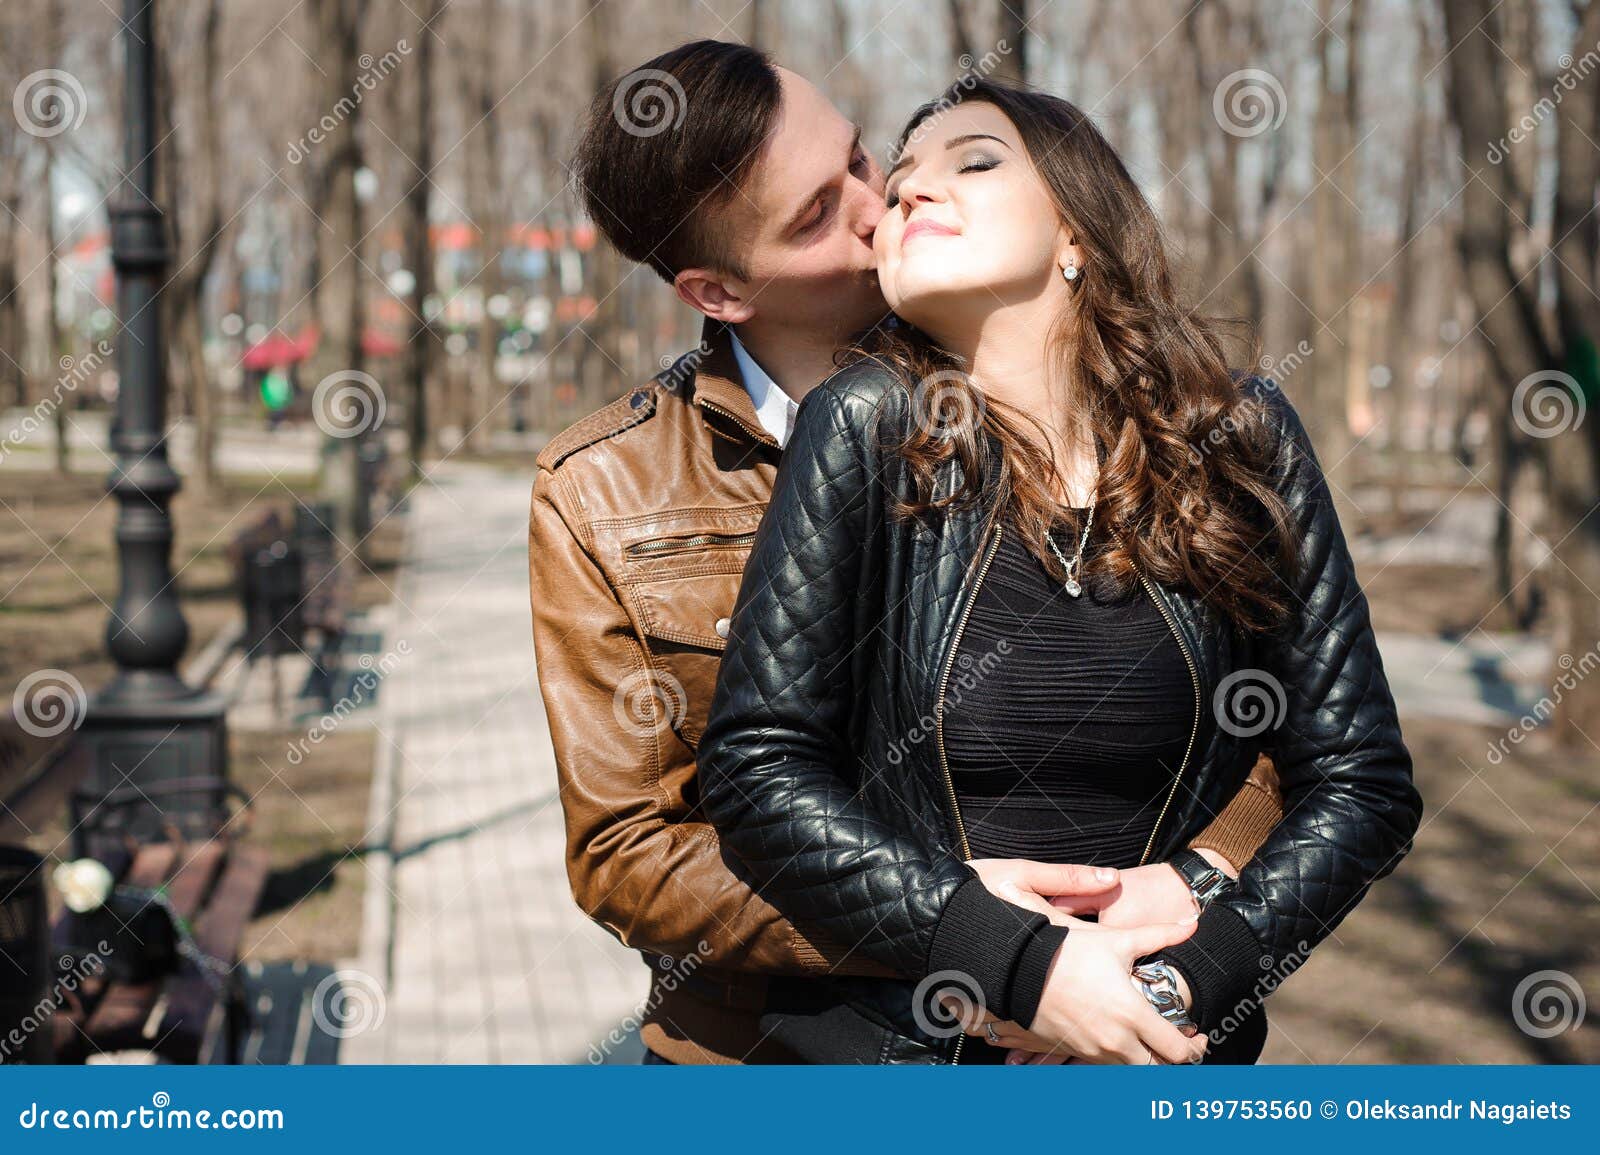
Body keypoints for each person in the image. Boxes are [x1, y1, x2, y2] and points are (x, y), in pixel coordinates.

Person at [529, 40, 1285, 1066]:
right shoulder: (602, 492)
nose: (875, 201)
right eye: (813, 214)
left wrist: (1173, 905)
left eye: (856, 157)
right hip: (763, 1063)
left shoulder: (1092, 407)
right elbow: (627, 856)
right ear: (718, 294)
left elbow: (1285, 734)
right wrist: (953, 931)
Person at [698, 77, 1423, 1065]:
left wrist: (1175, 985)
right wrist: (1017, 963)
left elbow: (1360, 781)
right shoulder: (861, 424)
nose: (907, 194)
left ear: (1078, 232)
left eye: (973, 160)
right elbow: (755, 776)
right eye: (901, 179)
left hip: (1162, 1061)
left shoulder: (1240, 434)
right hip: (894, 1058)